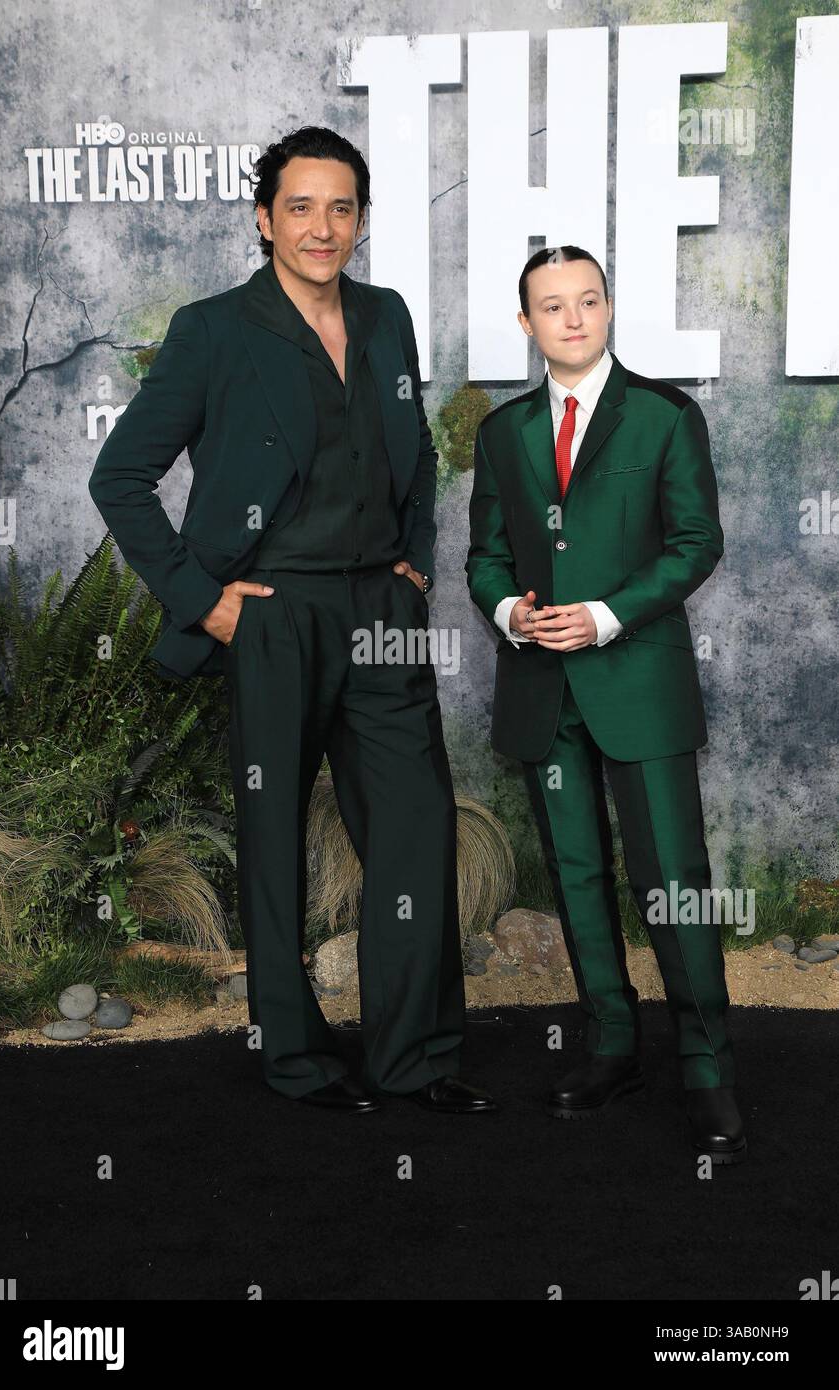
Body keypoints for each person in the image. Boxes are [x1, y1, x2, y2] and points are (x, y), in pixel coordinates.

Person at [89, 125, 496, 1116]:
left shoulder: (387, 316)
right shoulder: (213, 330)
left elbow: (418, 457)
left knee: (414, 826)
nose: (323, 226)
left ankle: (413, 1057)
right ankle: (299, 1060)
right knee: (273, 837)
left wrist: (413, 564)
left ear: (360, 220)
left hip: (379, 612)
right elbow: (120, 477)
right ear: (264, 218)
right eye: (301, 206)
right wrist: (203, 599)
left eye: (342, 206)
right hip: (272, 611)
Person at [466, 245, 744, 1161]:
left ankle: (706, 1068)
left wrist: (606, 614)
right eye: (553, 306)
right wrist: (511, 610)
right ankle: (612, 1045)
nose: (574, 318)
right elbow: (488, 556)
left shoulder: (665, 416)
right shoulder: (503, 433)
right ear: (527, 325)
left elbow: (696, 542)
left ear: (610, 308)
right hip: (544, 690)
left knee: (674, 882)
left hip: (639, 686)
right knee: (579, 877)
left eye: (588, 301)